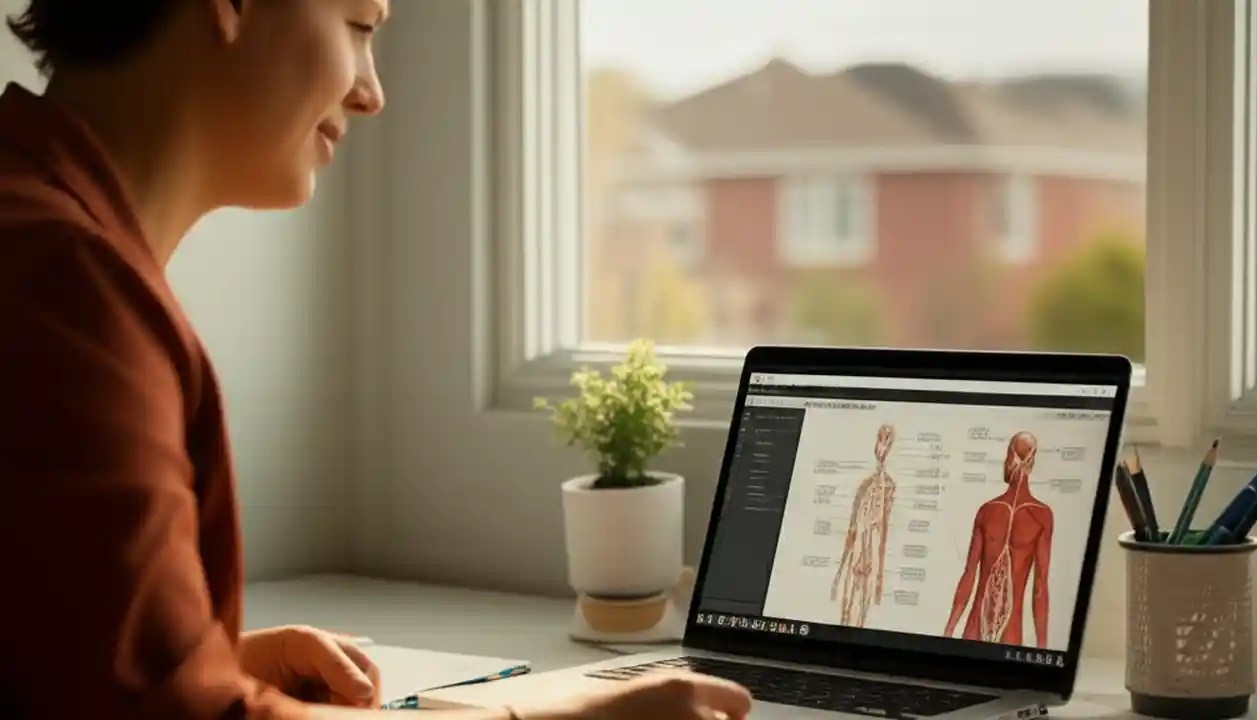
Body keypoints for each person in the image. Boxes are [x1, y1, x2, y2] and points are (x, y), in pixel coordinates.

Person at [0, 1, 753, 719]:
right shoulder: (60, 288)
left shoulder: (45, 240)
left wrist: (209, 661)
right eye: (358, 25)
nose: (372, 94)